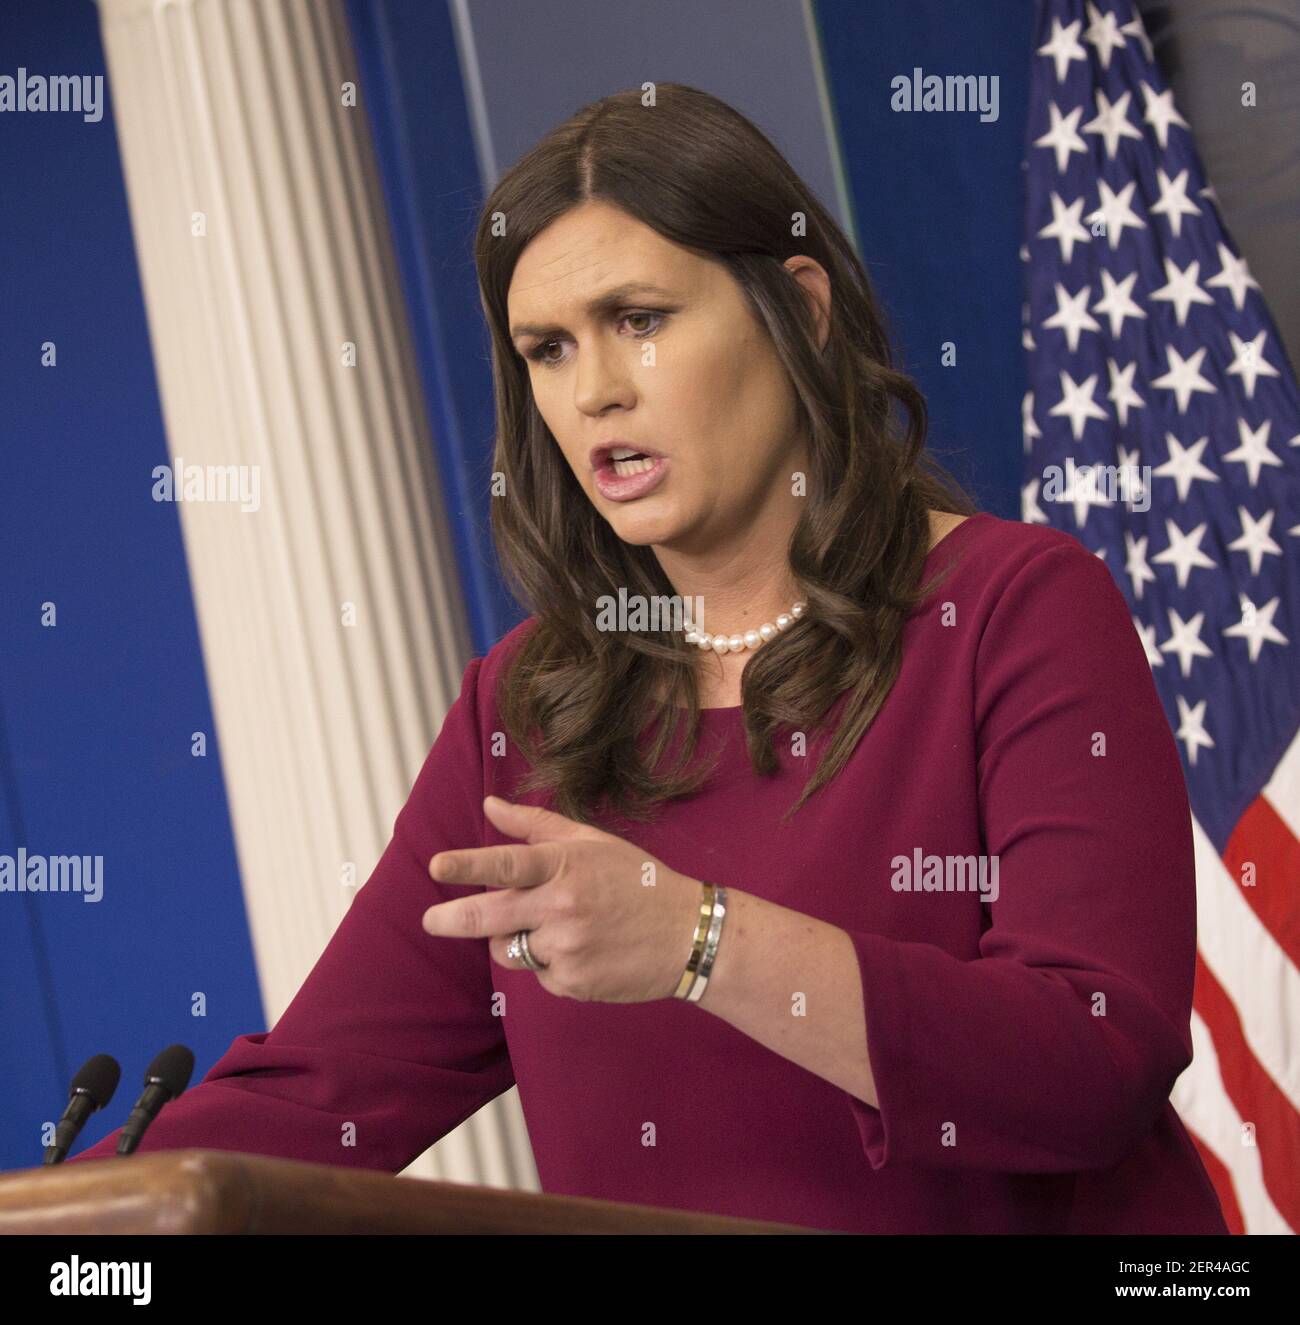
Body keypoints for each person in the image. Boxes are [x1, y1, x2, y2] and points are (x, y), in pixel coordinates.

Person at [69, 83, 1228, 1235]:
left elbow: (1094, 1057)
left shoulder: (1011, 608)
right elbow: (325, 1090)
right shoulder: (526, 708)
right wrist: (69, 1213)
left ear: (799, 307)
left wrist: (696, 938)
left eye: (641, 318)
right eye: (547, 348)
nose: (594, 392)